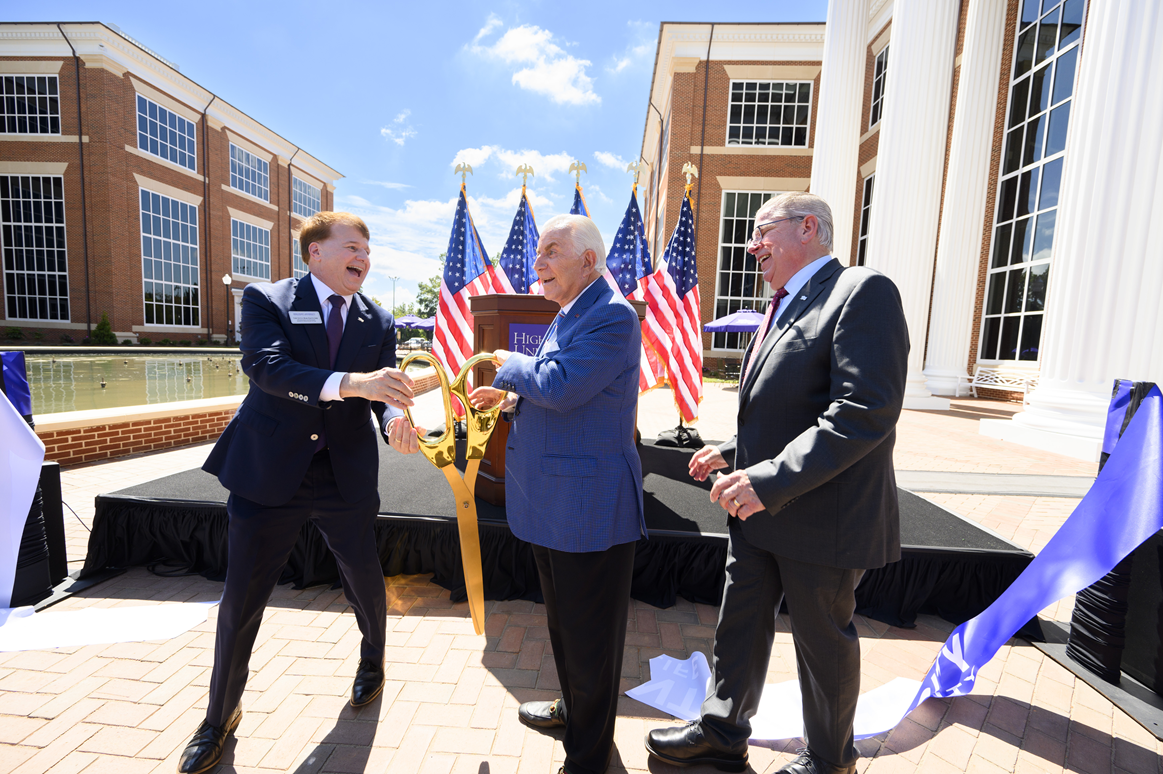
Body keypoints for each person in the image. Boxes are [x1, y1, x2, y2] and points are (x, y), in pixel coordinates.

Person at [644, 192, 909, 774]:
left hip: (821, 514)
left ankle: (829, 760)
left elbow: (863, 410)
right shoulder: (781, 304)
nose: (750, 244)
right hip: (758, 509)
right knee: (738, 622)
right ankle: (722, 729)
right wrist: (734, 453)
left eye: (762, 230)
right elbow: (791, 409)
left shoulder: (862, 293)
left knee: (822, 646)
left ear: (808, 227)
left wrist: (767, 478)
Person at [179, 212, 423, 774]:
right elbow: (267, 368)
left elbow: (383, 388)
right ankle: (219, 717)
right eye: (353, 247)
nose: (364, 257)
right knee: (241, 600)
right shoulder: (267, 299)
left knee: (364, 578)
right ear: (315, 252)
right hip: (270, 474)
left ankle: (373, 661)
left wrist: (393, 421)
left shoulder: (377, 318)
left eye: (369, 249)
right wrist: (354, 385)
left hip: (346, 476)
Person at [470, 214, 646, 774]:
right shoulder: (574, 311)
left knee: (590, 641)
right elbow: (562, 393)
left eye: (551, 252)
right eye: (538, 252)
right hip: (555, 505)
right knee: (566, 628)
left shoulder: (612, 315)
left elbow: (562, 385)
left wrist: (508, 366)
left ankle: (588, 757)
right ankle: (574, 711)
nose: (537, 262)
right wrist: (511, 401)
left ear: (588, 261)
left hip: (587, 509)